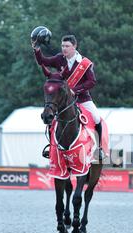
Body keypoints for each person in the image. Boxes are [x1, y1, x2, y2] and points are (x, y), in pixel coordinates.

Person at [32, 33, 105, 161]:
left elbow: (91, 81)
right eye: (62, 46)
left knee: (96, 118)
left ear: (74, 47)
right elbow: (42, 61)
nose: (64, 48)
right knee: (51, 117)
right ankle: (52, 146)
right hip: (63, 101)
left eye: (67, 46)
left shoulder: (84, 63)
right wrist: (37, 49)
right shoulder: (59, 58)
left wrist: (75, 91)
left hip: (82, 99)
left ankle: (99, 149)